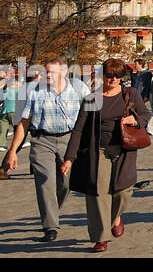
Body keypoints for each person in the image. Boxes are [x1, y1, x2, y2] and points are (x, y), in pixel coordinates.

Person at [60, 58, 149, 251]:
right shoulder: (92, 99)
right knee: (97, 193)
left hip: (124, 150)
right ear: (102, 76)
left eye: (118, 76)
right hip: (97, 151)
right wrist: (69, 158)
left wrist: (135, 120)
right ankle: (100, 237)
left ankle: (115, 217)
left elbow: (145, 114)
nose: (114, 79)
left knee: (123, 191)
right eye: (110, 75)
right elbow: (78, 130)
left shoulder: (130, 94)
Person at [3, 58, 89, 241]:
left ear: (64, 72)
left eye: (52, 72)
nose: (47, 75)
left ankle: (52, 211)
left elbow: (90, 116)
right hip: (42, 141)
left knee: (66, 184)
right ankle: (50, 226)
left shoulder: (78, 89)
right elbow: (24, 122)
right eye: (46, 72)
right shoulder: (36, 92)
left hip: (69, 140)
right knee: (46, 181)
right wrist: (12, 151)